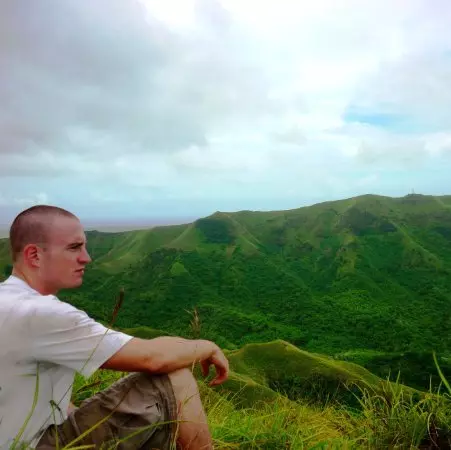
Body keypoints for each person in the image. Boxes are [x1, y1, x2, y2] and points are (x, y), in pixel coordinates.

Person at [0, 205, 229, 449]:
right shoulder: (43, 313)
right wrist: (208, 346)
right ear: (34, 255)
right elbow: (154, 359)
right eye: (74, 247)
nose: (86, 257)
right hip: (32, 445)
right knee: (176, 377)